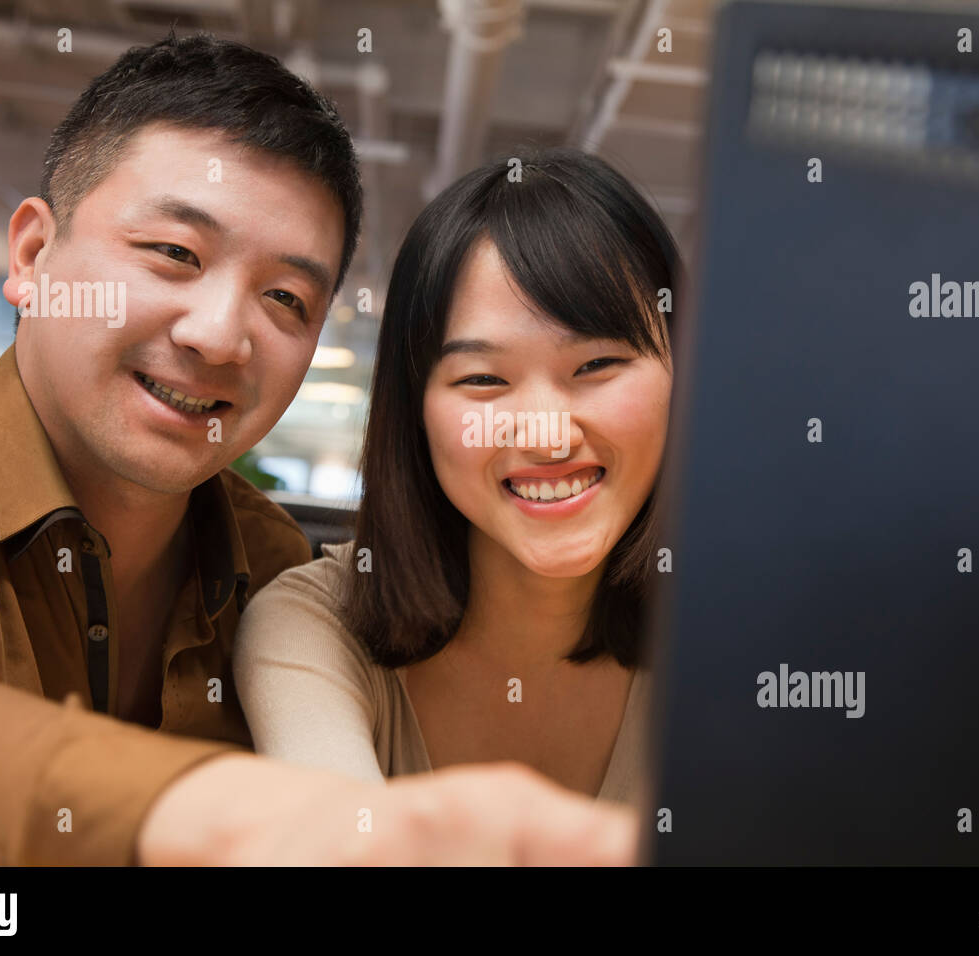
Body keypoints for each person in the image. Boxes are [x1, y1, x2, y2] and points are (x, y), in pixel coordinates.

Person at [0, 35, 635, 866]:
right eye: (174, 254)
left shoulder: (269, 566)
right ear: (31, 256)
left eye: (284, 297)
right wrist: (258, 821)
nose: (219, 335)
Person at [234, 149, 679, 803]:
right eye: (483, 380)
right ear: (414, 413)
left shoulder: (746, 638)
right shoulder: (316, 623)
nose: (546, 435)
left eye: (597, 365)